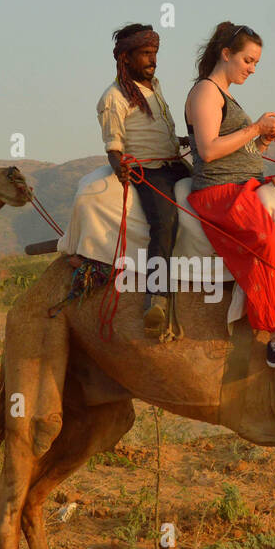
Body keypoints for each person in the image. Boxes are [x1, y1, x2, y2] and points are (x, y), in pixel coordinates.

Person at [184, 22, 275, 369]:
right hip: (219, 192)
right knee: (261, 239)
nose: (252, 69)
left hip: (242, 184)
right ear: (226, 54)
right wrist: (255, 128)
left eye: (256, 63)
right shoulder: (205, 92)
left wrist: (264, 140)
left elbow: (242, 153)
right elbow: (209, 150)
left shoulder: (226, 96)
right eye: (248, 60)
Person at [98, 23, 191, 334]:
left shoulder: (155, 85)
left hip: (174, 162)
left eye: (155, 54)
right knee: (164, 221)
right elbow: (113, 144)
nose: (153, 61)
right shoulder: (114, 96)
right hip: (148, 171)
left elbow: (157, 131)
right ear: (125, 58)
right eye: (146, 55)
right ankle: (157, 297)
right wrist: (118, 165)